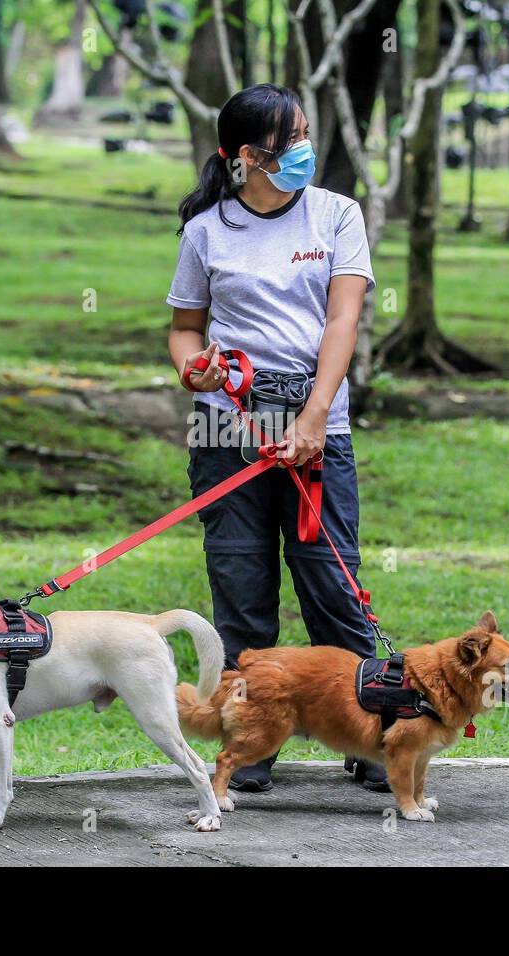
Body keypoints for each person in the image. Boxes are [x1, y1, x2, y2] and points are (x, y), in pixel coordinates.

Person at [165, 83, 387, 792]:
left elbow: (341, 322)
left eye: (303, 135)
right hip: (226, 425)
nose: (300, 151)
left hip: (316, 421)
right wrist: (192, 368)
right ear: (243, 156)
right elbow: (183, 327)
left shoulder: (335, 215)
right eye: (284, 142)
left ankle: (372, 737)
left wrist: (316, 414)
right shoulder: (207, 230)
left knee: (331, 581)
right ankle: (249, 745)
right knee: (241, 583)